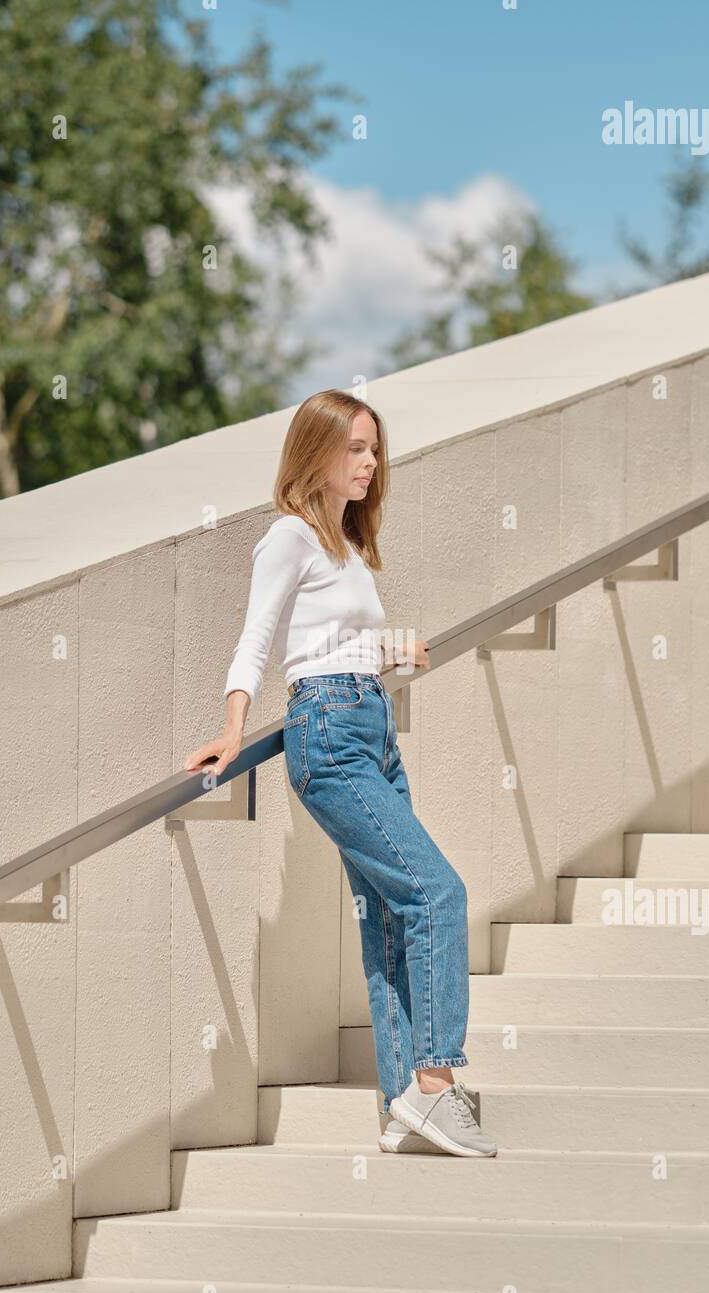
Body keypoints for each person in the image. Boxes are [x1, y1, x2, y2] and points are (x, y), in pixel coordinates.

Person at [184, 389, 496, 1158]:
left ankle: (400, 1105)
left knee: (390, 917)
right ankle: (435, 1085)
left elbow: (327, 642)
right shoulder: (288, 537)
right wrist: (232, 728)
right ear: (316, 452)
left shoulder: (348, 546)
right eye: (355, 447)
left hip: (370, 725)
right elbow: (258, 638)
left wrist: (391, 651)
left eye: (375, 448)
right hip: (327, 734)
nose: (371, 462)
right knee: (437, 891)